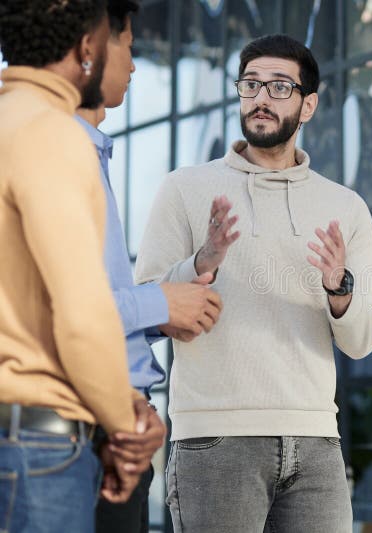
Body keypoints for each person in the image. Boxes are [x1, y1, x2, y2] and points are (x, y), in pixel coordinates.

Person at [134, 34, 372, 532]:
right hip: (215, 441)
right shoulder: (185, 188)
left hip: (317, 445)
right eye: (250, 85)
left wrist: (339, 287)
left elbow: (362, 342)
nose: (261, 98)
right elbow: (146, 309)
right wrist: (200, 262)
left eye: (278, 86)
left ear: (308, 105)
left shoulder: (346, 207)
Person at [73, 1, 224, 531]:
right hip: (84, 435)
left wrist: (168, 304)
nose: (134, 65)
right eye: (130, 46)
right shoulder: (61, 153)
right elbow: (55, 311)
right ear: (93, 46)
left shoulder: (91, 155)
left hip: (114, 433)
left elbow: (94, 307)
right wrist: (161, 301)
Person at [0, 0, 147, 530]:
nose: (128, 61)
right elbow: (83, 317)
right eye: (115, 40)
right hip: (33, 448)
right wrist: (126, 423)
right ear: (87, 48)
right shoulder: (51, 134)